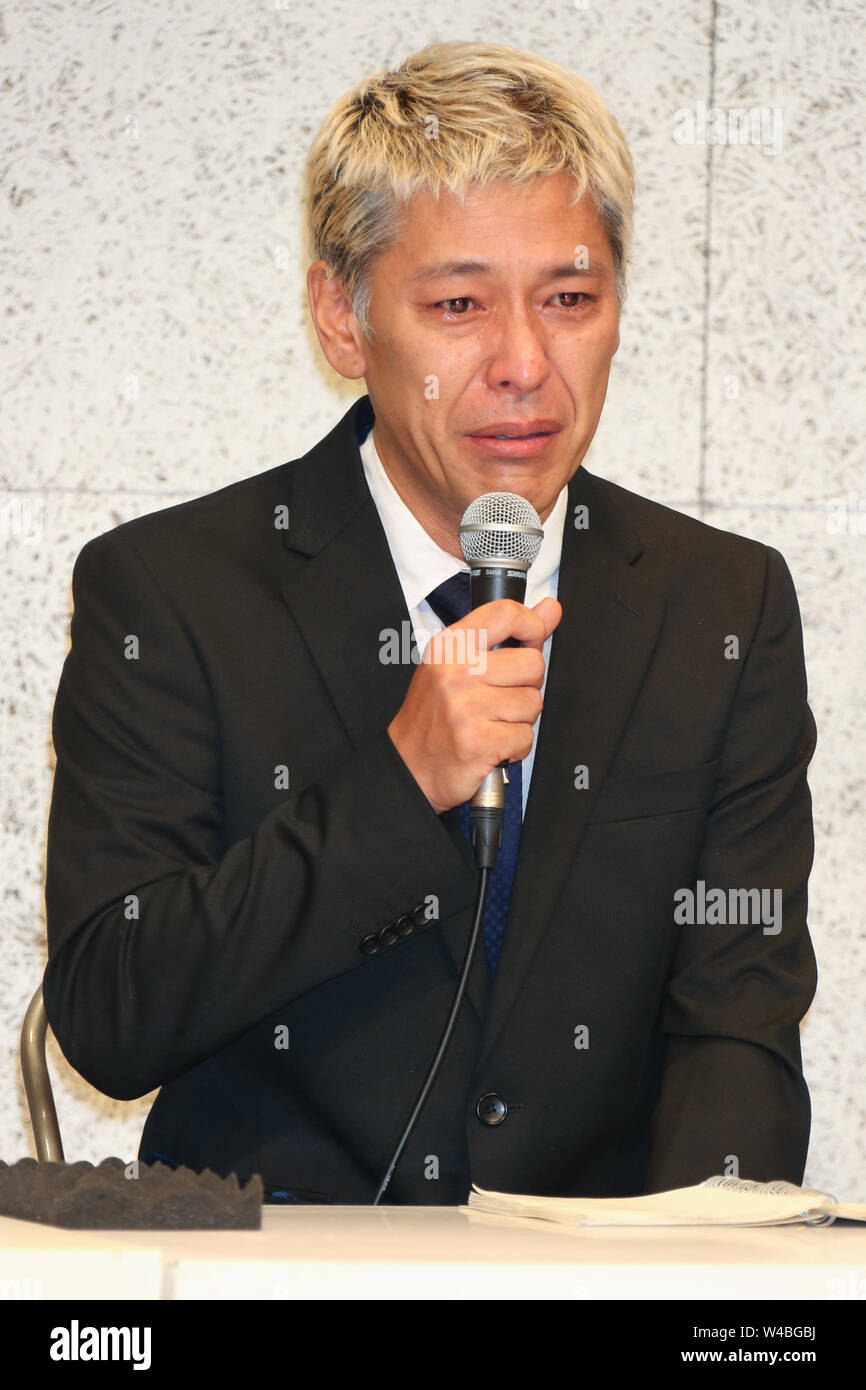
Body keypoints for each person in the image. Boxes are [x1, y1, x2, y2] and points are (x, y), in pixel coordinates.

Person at [42, 41, 817, 1205]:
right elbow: (109, 1014)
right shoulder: (170, 593)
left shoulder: (718, 606)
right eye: (457, 304)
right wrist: (397, 784)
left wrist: (699, 1298)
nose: (521, 364)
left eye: (568, 300)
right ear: (342, 320)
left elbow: (735, 1034)